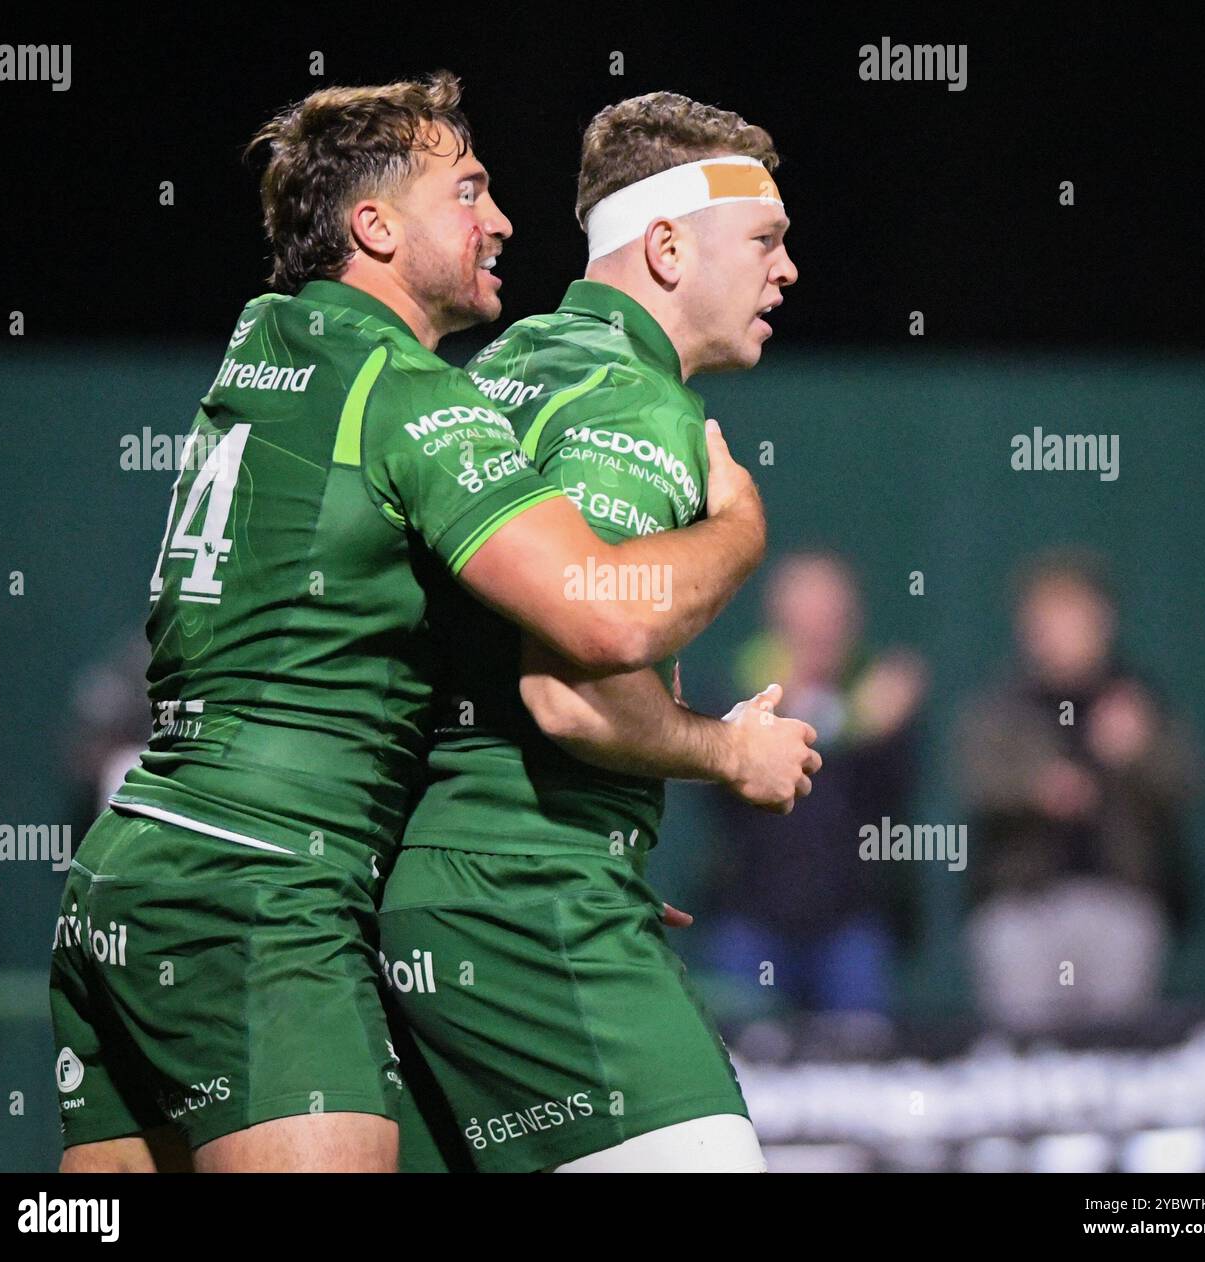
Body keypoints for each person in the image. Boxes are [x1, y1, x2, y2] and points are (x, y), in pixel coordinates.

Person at [49, 75, 767, 1173]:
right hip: (261, 886)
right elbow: (600, 622)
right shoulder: (407, 392)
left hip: (130, 868)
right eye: (468, 190)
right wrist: (738, 531)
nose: (502, 221)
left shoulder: (265, 353)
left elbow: (404, 655)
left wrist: (556, 830)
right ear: (374, 226)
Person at [382, 91, 820, 1173]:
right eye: (765, 240)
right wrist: (732, 749)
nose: (787, 271)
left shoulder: (496, 368)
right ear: (667, 246)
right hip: (528, 899)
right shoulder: (632, 399)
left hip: (418, 896)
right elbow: (569, 693)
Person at [957, 550, 1200, 1035]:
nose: (1058, 632)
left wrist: (1139, 749)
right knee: (1024, 1054)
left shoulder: (1137, 700)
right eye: (1046, 617)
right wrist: (1037, 787)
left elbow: (1185, 782)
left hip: (1118, 899)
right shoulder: (1004, 706)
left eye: (1072, 616)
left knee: (1117, 1052)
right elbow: (976, 780)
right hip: (1024, 904)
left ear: (1101, 622)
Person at [708, 553, 926, 1033]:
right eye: (805, 617)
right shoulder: (739, 692)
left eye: (831, 617)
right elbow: (720, 787)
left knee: (863, 1058)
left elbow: (891, 793)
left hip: (852, 925)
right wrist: (853, 723)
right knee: (740, 1060)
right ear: (778, 622)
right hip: (752, 921)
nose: (819, 632)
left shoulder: (885, 697)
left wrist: (880, 727)